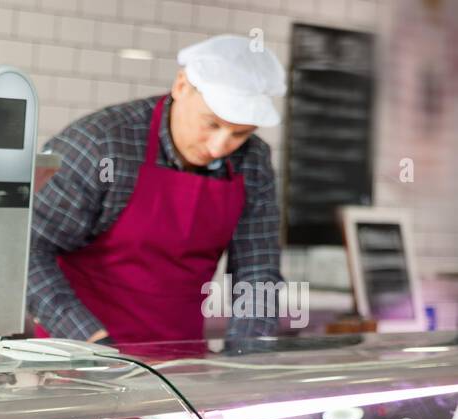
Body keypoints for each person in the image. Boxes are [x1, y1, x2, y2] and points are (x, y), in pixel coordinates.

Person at [28, 34, 288, 347]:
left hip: (180, 361)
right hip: (79, 358)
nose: (220, 147)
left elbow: (257, 270)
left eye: (240, 133)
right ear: (181, 86)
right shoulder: (100, 145)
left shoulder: (253, 160)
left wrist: (247, 357)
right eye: (212, 124)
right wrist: (93, 345)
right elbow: (27, 250)